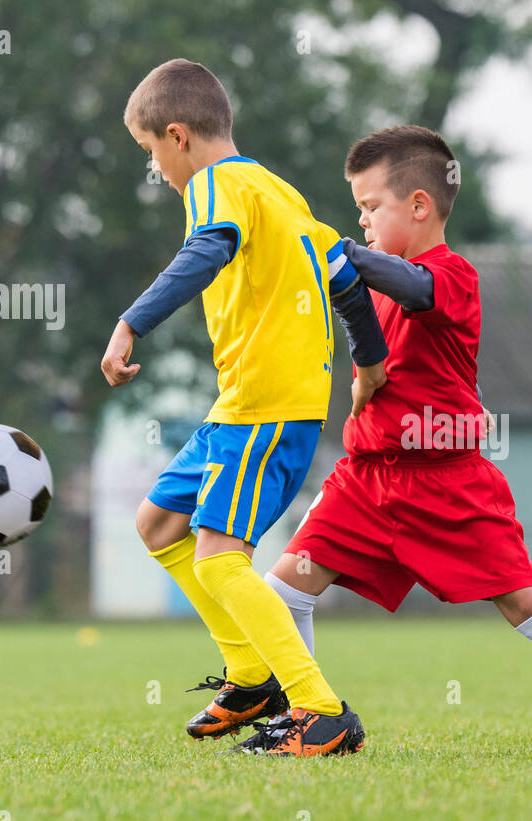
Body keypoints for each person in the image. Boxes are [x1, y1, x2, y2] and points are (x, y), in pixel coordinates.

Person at [244, 124, 532, 757]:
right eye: (356, 210)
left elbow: (413, 289)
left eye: (371, 206)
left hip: (446, 479)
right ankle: (312, 719)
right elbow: (362, 324)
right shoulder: (374, 282)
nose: (363, 219)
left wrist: (346, 253)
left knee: (525, 603)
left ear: (419, 205)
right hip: (368, 477)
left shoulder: (452, 275)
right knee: (283, 590)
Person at [100, 59, 389, 756]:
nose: (158, 171)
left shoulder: (215, 184)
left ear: (178, 136)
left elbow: (209, 247)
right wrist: (371, 366)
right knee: (160, 523)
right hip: (243, 405)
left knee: (222, 558)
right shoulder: (278, 191)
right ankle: (251, 676)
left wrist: (132, 321)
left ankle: (319, 711)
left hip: (268, 405)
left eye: (150, 154)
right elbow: (345, 280)